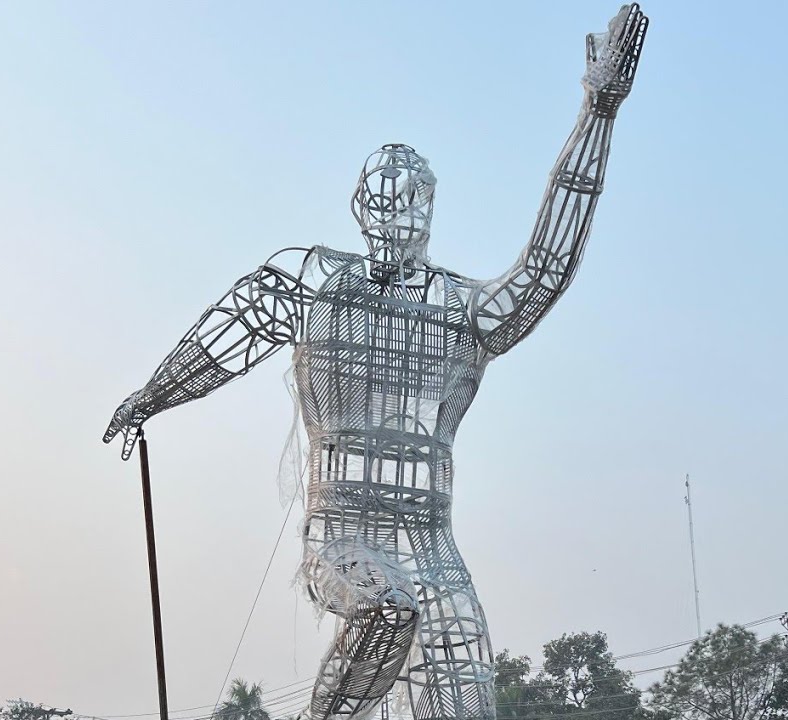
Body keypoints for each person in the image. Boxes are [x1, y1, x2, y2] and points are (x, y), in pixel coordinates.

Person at [104, 7, 649, 720]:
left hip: (432, 541)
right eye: (383, 198)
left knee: (465, 698)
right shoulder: (312, 281)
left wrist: (600, 111)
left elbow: (544, 270)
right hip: (344, 533)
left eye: (413, 200)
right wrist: (151, 397)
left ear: (429, 210)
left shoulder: (460, 310)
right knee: (387, 610)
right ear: (360, 206)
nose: (397, 213)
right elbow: (225, 333)